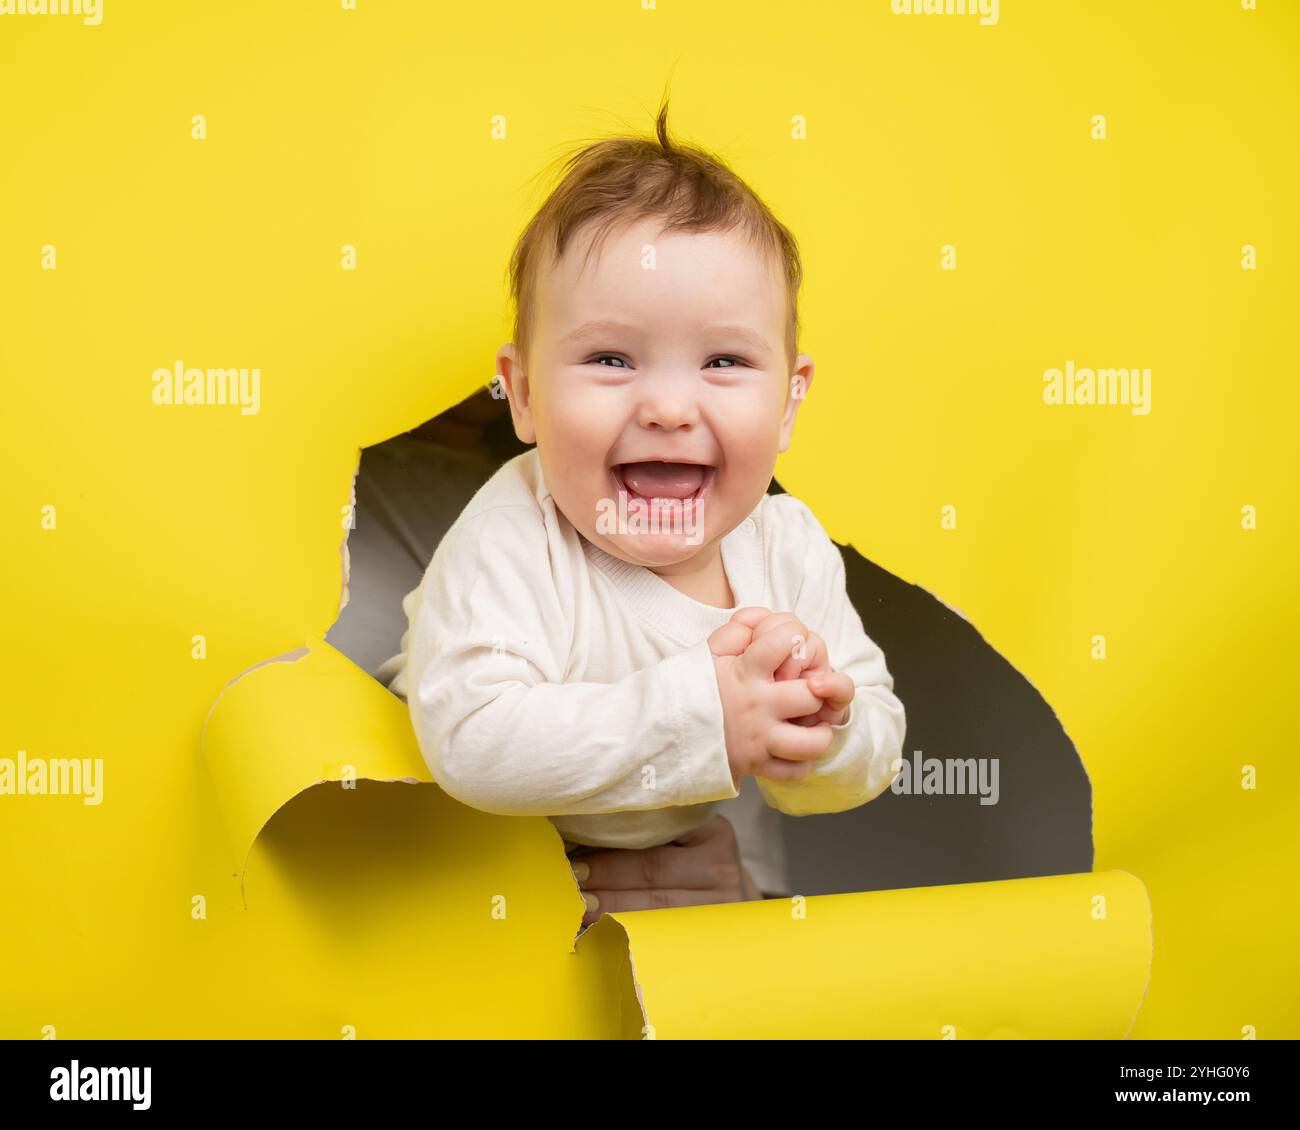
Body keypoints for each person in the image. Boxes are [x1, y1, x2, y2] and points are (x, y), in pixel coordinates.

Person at [381, 99, 906, 928]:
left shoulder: (787, 547)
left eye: (724, 360)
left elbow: (877, 733)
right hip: (439, 858)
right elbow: (474, 740)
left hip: (633, 886)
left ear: (788, 404)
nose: (667, 407)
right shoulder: (514, 533)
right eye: (611, 358)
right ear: (525, 395)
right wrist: (708, 714)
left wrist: (819, 734)